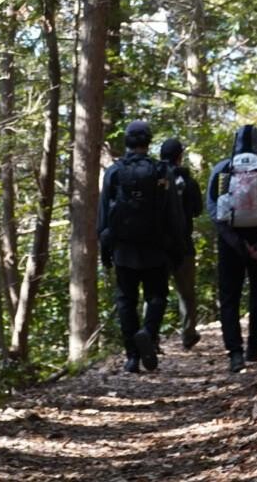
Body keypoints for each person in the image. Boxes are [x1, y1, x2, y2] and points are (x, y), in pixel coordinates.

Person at [99, 120, 185, 373]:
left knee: (126, 301)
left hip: (123, 248)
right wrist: (177, 246)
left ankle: (132, 357)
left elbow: (103, 215)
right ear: (148, 142)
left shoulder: (114, 172)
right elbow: (173, 211)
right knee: (156, 296)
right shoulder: (161, 171)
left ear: (127, 141)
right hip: (156, 247)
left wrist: (105, 247)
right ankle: (147, 332)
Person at [206, 123, 257, 373]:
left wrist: (236, 243)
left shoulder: (223, 169)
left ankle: (235, 354)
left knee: (229, 297)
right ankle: (254, 346)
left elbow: (213, 208)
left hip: (231, 242)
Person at [159, 136, 203, 349]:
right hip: (184, 244)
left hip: (159, 246)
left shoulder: (155, 178)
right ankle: (188, 334)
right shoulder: (188, 182)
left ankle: (150, 336)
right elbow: (197, 210)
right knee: (186, 293)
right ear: (179, 157)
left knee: (155, 293)